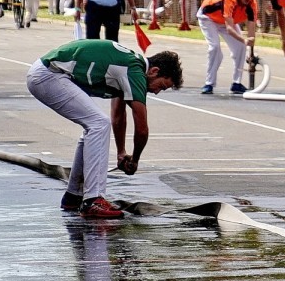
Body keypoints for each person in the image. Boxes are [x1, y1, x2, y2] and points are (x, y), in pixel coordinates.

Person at [26, 39, 182, 219]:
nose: (156, 92)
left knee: (95, 125)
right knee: (98, 124)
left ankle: (74, 195)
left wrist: (122, 153)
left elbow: (118, 114)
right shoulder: (134, 71)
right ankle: (93, 200)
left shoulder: (130, 66)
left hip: (45, 73)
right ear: (154, 71)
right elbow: (141, 128)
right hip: (49, 75)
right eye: (161, 86)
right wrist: (136, 159)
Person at [198, 0, 258, 95]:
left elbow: (251, 28)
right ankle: (209, 83)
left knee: (241, 47)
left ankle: (236, 83)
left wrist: (251, 50)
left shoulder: (252, 4)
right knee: (215, 48)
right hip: (209, 18)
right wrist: (244, 40)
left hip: (226, 20)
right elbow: (230, 29)